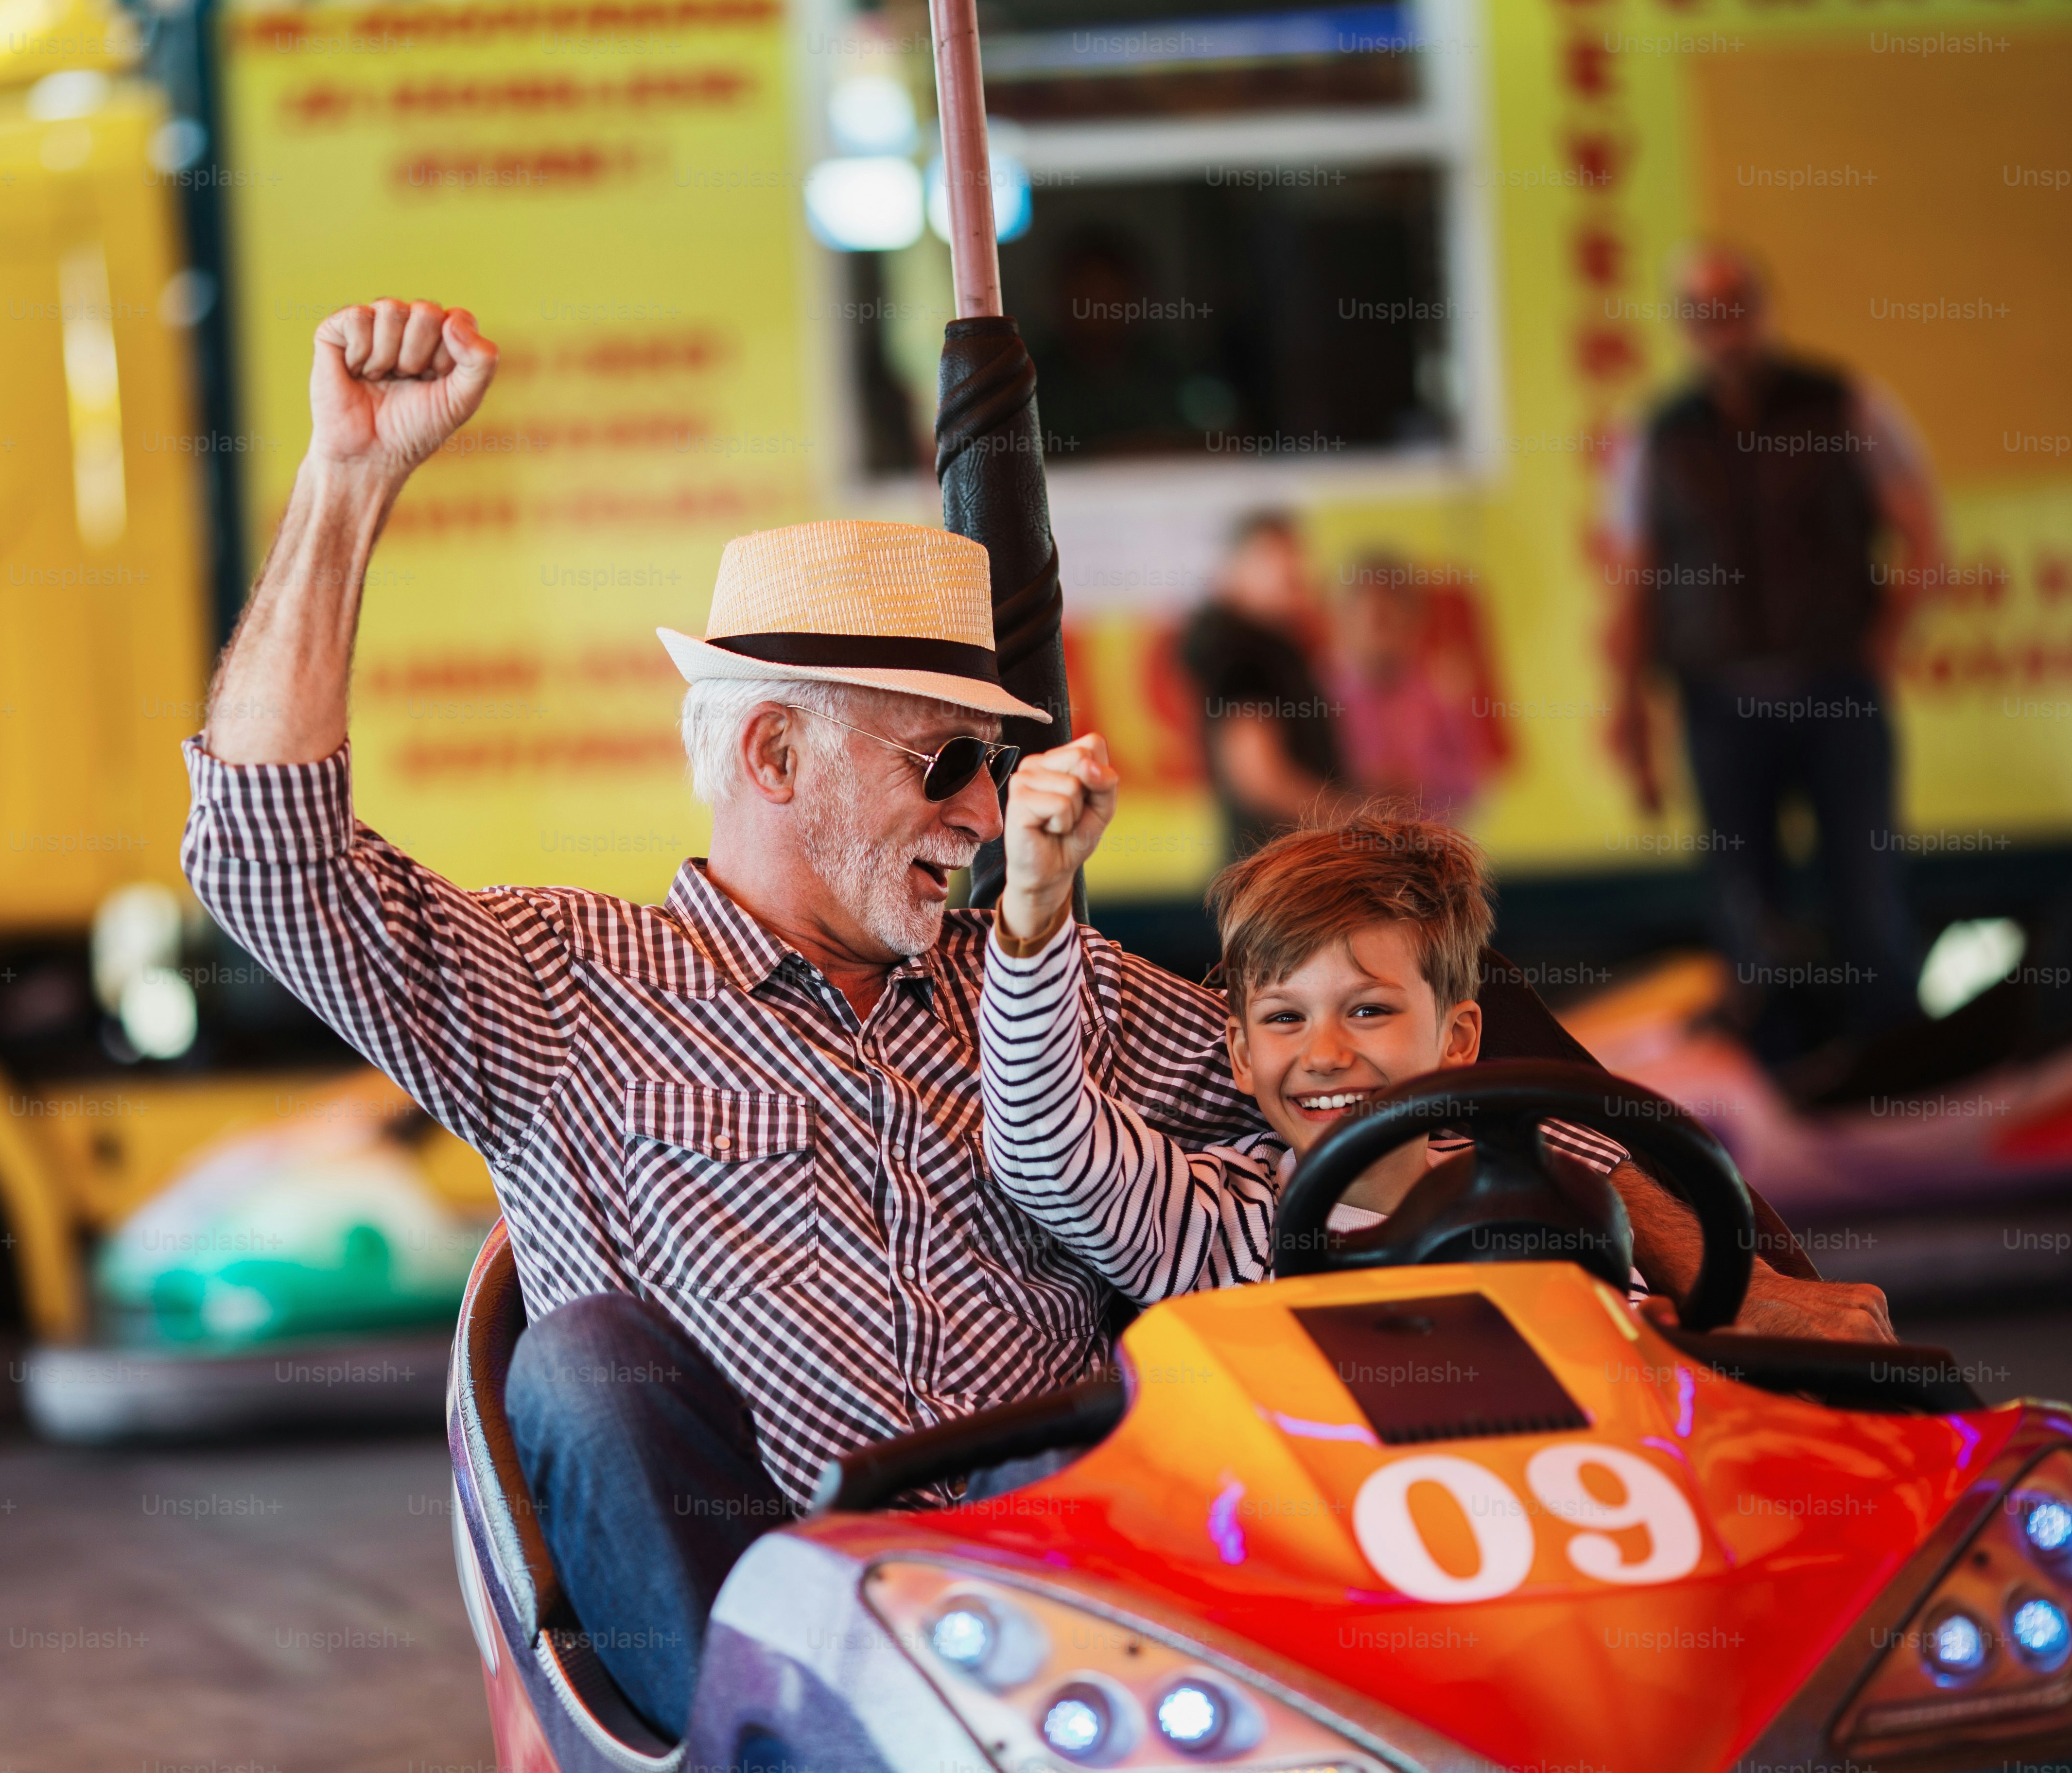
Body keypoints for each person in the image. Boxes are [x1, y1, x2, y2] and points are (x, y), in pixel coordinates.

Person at [184, 297, 1895, 1741]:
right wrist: (346, 481)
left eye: (992, 769)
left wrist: (1741, 1278)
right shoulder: (558, 989)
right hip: (805, 1659)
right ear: (775, 759)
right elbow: (262, 857)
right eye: (942, 763)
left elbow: (1396, 1102)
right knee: (587, 1358)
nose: (977, 813)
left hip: (1118, 1622)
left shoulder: (1045, 981)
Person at [979, 737, 1896, 1331]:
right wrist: (1032, 905)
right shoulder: (1217, 1225)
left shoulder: (1543, 1200)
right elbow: (1038, 1143)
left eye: (1368, 1009)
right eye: (1283, 1018)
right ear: (1237, 1054)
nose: (1325, 1052)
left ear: (1459, 1038)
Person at [1604, 241, 1947, 1047]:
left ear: (1762, 308)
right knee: (1743, 908)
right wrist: (1629, 716)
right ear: (1684, 325)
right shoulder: (1655, 438)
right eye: (1700, 309)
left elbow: (1922, 529)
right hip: (1717, 705)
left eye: (1732, 303)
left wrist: (1882, 643)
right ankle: (1771, 1093)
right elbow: (1633, 584)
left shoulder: (1845, 403)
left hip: (1837, 691)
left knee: (1866, 895)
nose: (1719, 323)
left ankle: (1894, 1069)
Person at [1178, 510, 1353, 856]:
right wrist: (1356, 820)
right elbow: (1258, 779)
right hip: (1278, 870)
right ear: (1234, 571)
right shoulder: (1241, 653)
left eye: (1293, 554)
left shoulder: (1276, 647)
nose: (1290, 569)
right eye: (1270, 556)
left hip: (1286, 865)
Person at [1325, 551, 1489, 817]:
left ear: (1415, 622)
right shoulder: (1317, 694)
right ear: (1343, 620)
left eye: (1387, 619)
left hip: (1418, 847)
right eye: (1372, 619)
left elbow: (1468, 787)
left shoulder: (1442, 696)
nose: (1377, 633)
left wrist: (1417, 784)